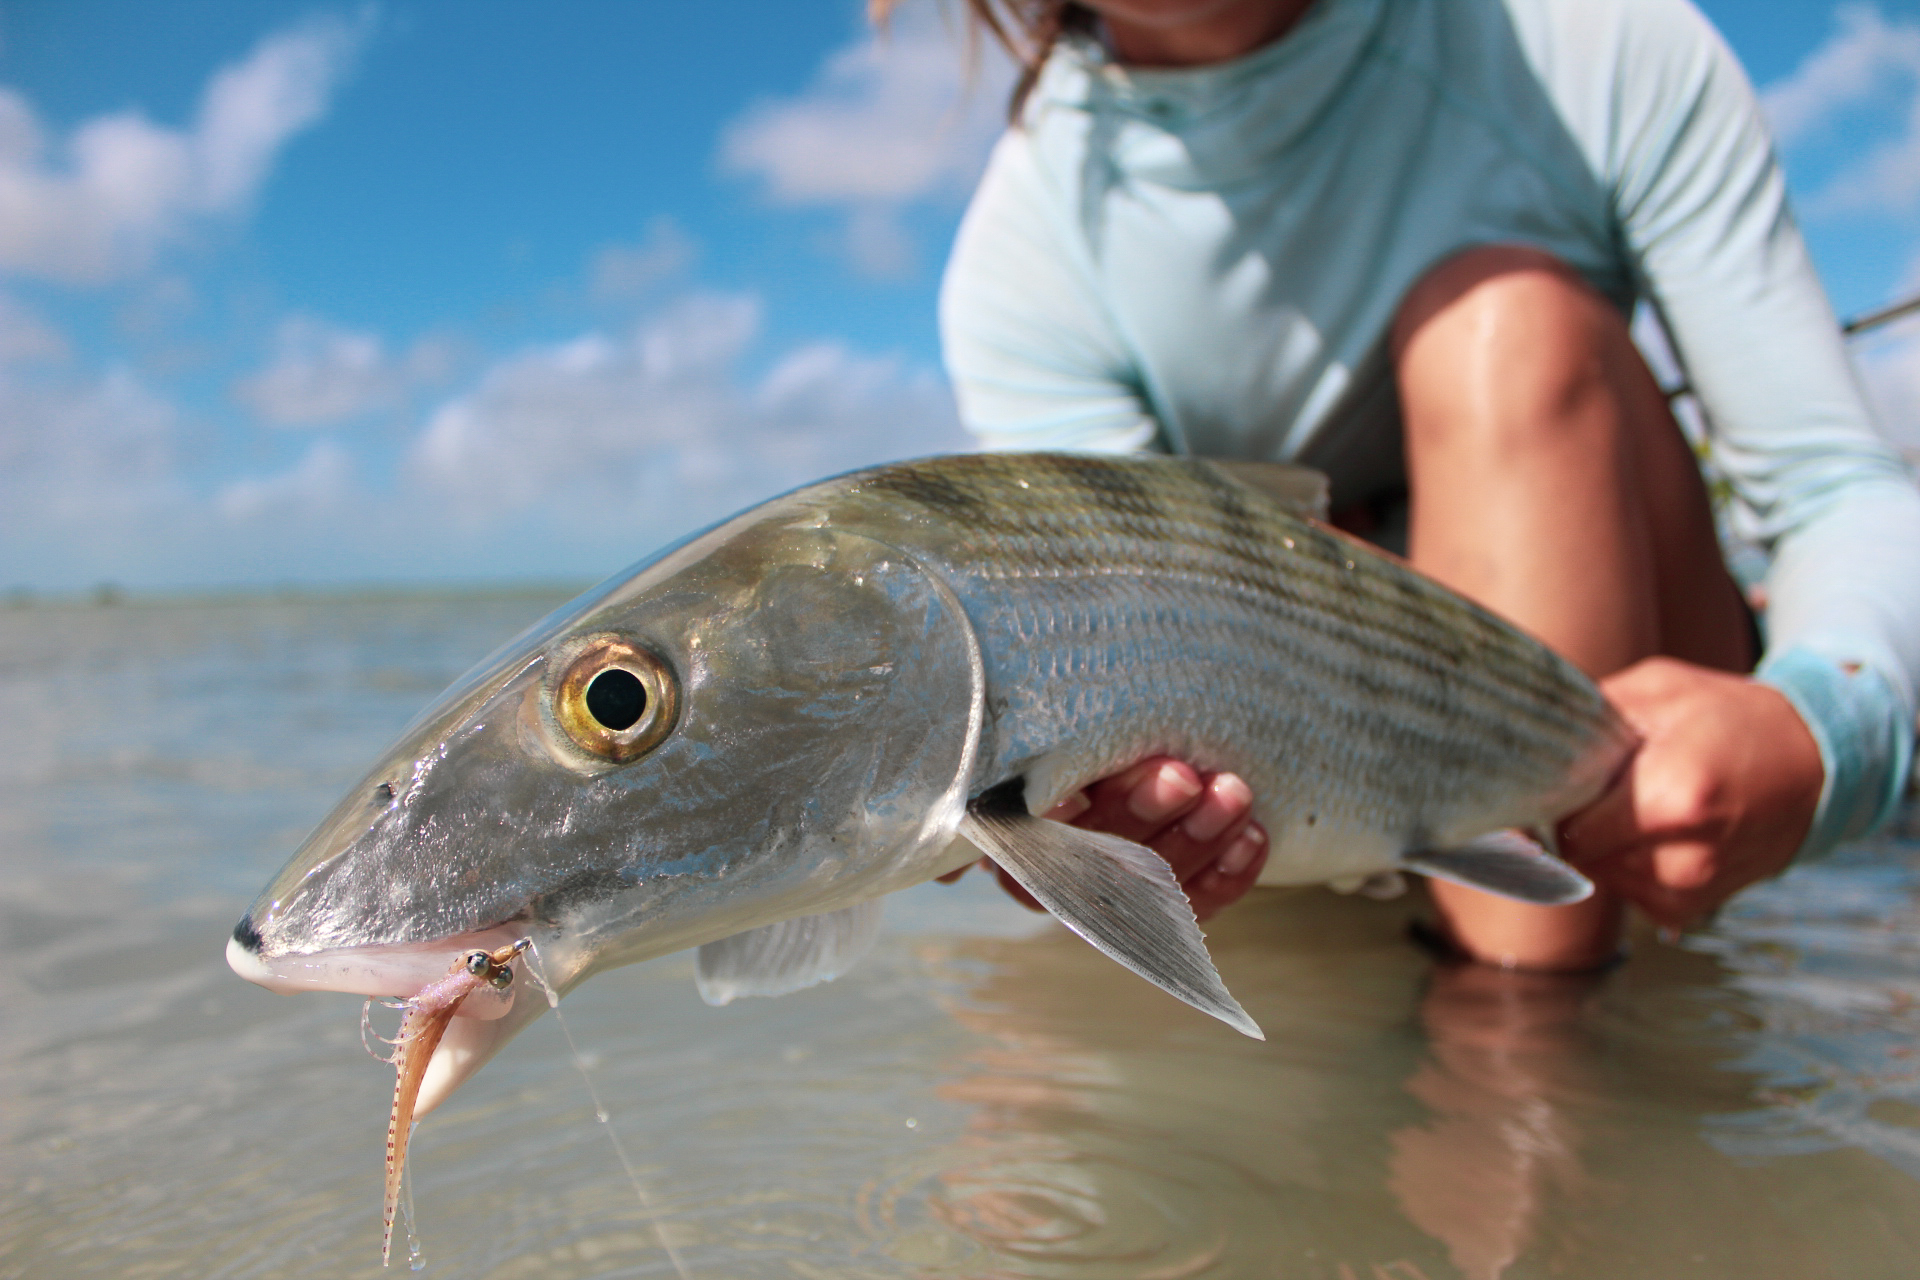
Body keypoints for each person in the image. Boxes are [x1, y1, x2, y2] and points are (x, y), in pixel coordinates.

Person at [918, 0, 1920, 969]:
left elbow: (1833, 485)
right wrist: (1103, 825)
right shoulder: (1023, 258)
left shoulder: (1598, 40)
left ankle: (1525, 1036)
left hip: (1635, 709)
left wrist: (1828, 731)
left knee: (1506, 330)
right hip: (1300, 750)